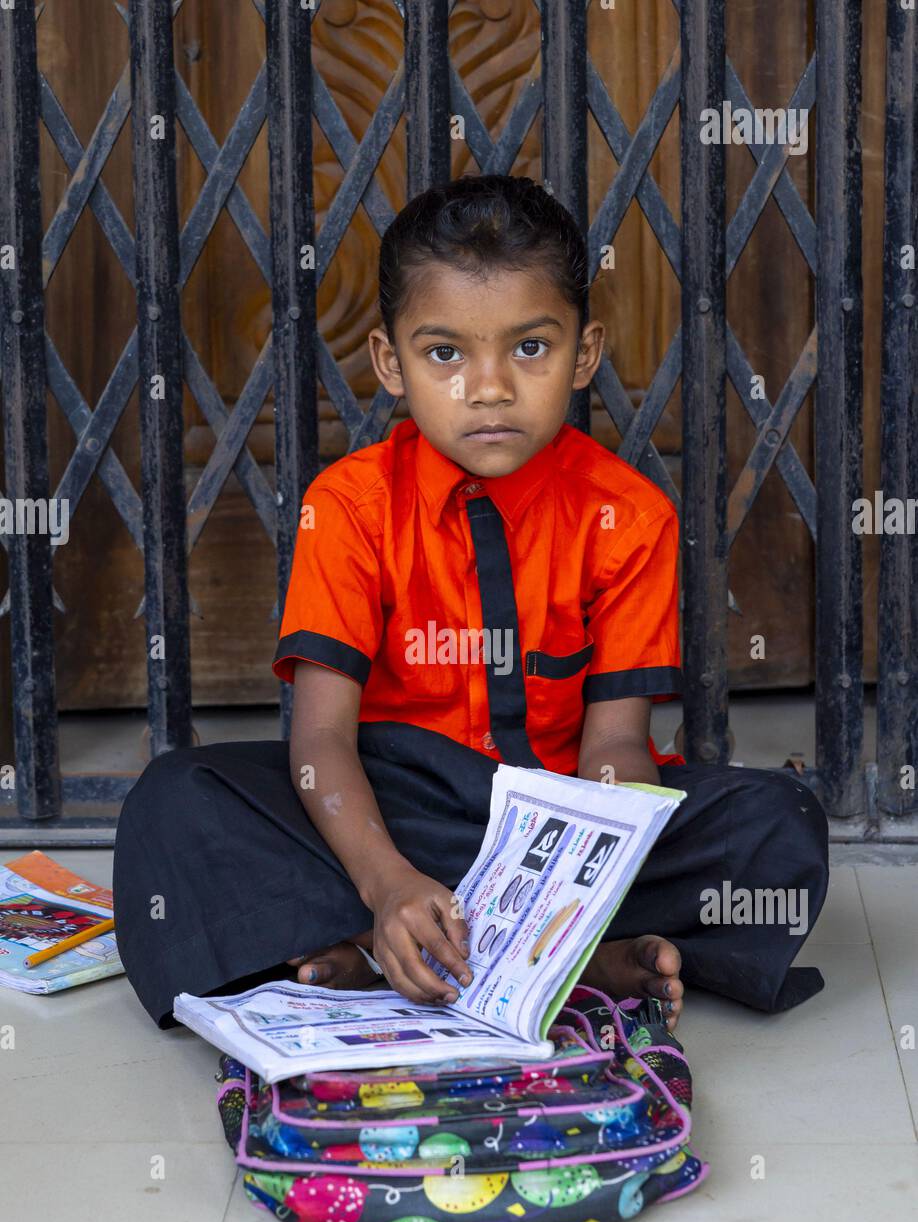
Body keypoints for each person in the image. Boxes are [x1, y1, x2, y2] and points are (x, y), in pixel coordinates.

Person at [113, 173, 828, 1033]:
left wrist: (576, 875)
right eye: (445, 354)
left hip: (565, 811)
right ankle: (410, 932)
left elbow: (615, 743)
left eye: (530, 348)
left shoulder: (629, 516)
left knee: (778, 824)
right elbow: (322, 740)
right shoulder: (350, 506)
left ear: (585, 352)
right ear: (390, 361)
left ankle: (471, 952)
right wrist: (387, 880)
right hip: (396, 811)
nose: (488, 388)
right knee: (175, 798)